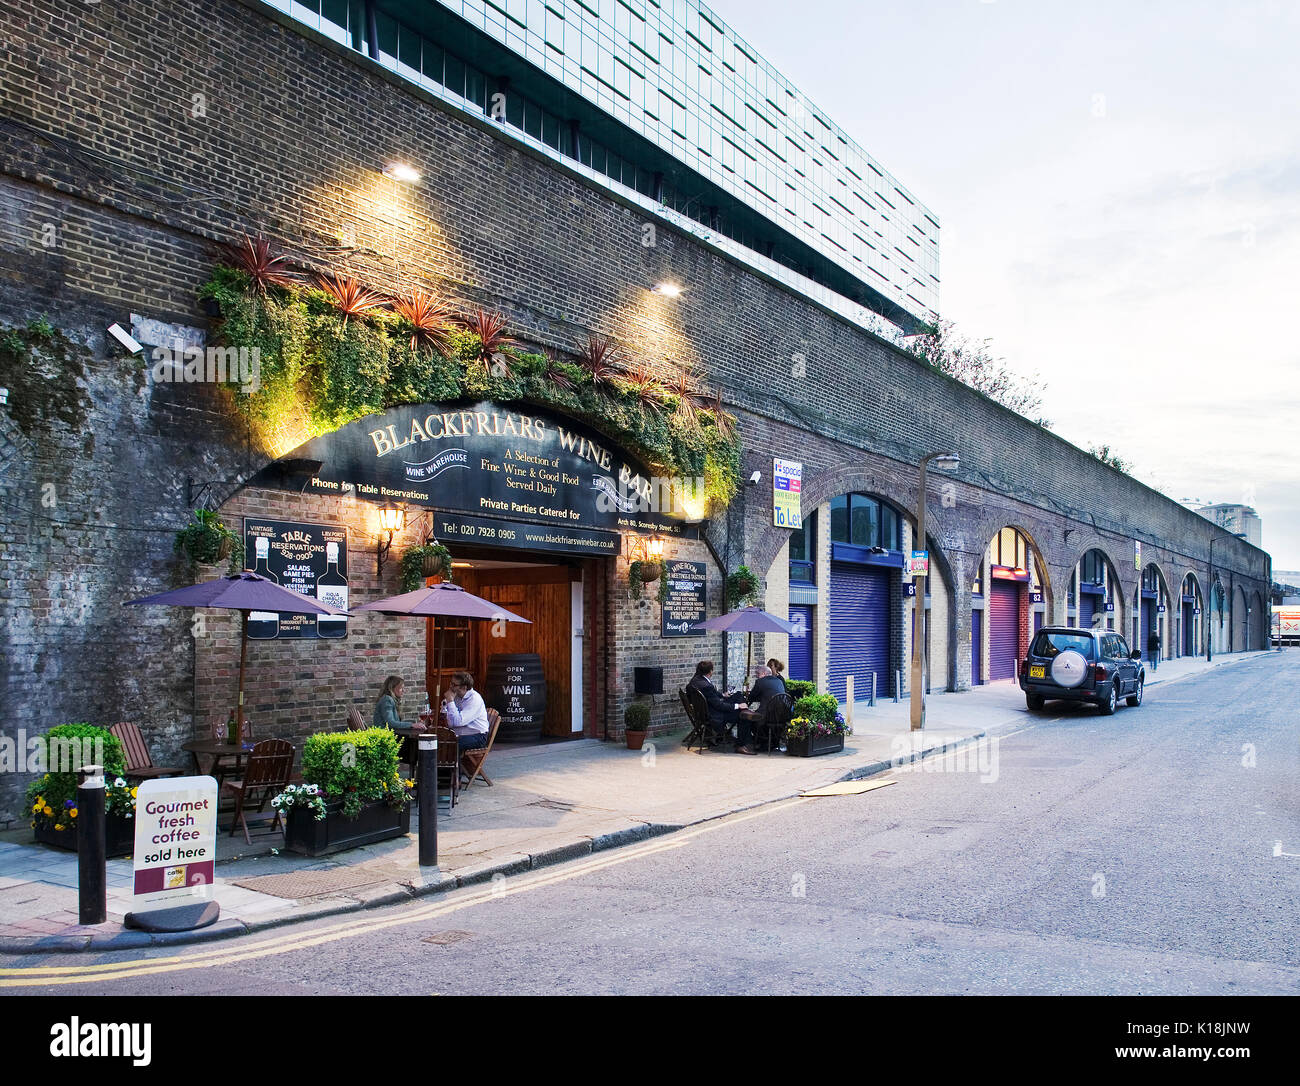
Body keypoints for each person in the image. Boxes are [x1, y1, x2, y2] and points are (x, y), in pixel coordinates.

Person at [688, 660, 754, 754]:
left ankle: (745, 710)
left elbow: (711, 695)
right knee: (744, 717)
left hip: (706, 711)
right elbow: (719, 706)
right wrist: (738, 706)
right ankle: (741, 745)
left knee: (738, 695)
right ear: (710, 671)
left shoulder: (695, 680)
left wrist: (722, 695)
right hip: (715, 715)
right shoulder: (706, 686)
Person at [442, 670, 491, 751]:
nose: (450, 687)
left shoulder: (474, 699)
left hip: (477, 736)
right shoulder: (456, 696)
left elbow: (458, 722)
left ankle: (456, 764)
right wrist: (446, 705)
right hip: (460, 733)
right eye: (451, 683)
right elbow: (450, 723)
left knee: (452, 744)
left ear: (464, 687)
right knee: (437, 739)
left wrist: (450, 701)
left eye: (454, 685)